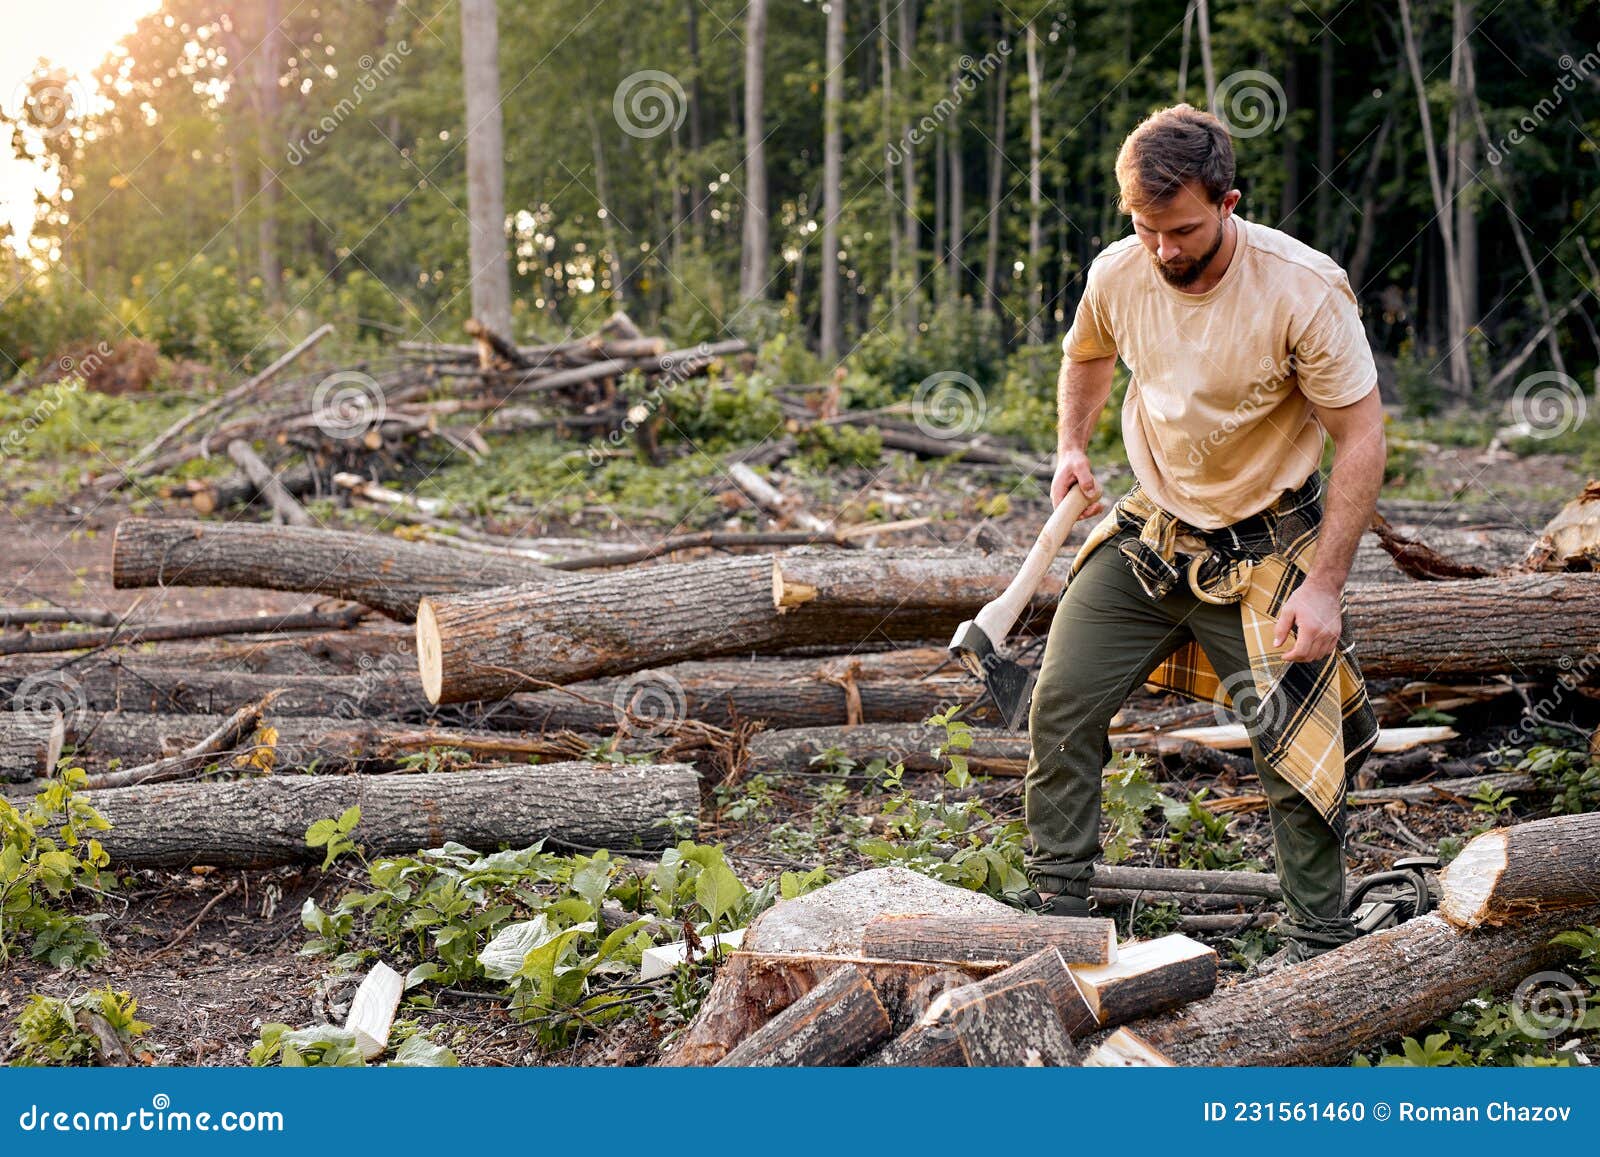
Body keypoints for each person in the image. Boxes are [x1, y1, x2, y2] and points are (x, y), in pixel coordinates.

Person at [1016, 103, 1387, 968]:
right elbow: (1087, 353)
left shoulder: (1301, 288)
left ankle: (1318, 939)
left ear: (1228, 203)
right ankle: (1057, 913)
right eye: (1146, 229)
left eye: (1181, 230)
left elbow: (1361, 436)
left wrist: (1324, 584)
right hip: (1154, 530)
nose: (1164, 251)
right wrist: (1073, 445)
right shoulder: (1120, 270)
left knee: (1293, 744)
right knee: (1061, 702)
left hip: (1268, 542)